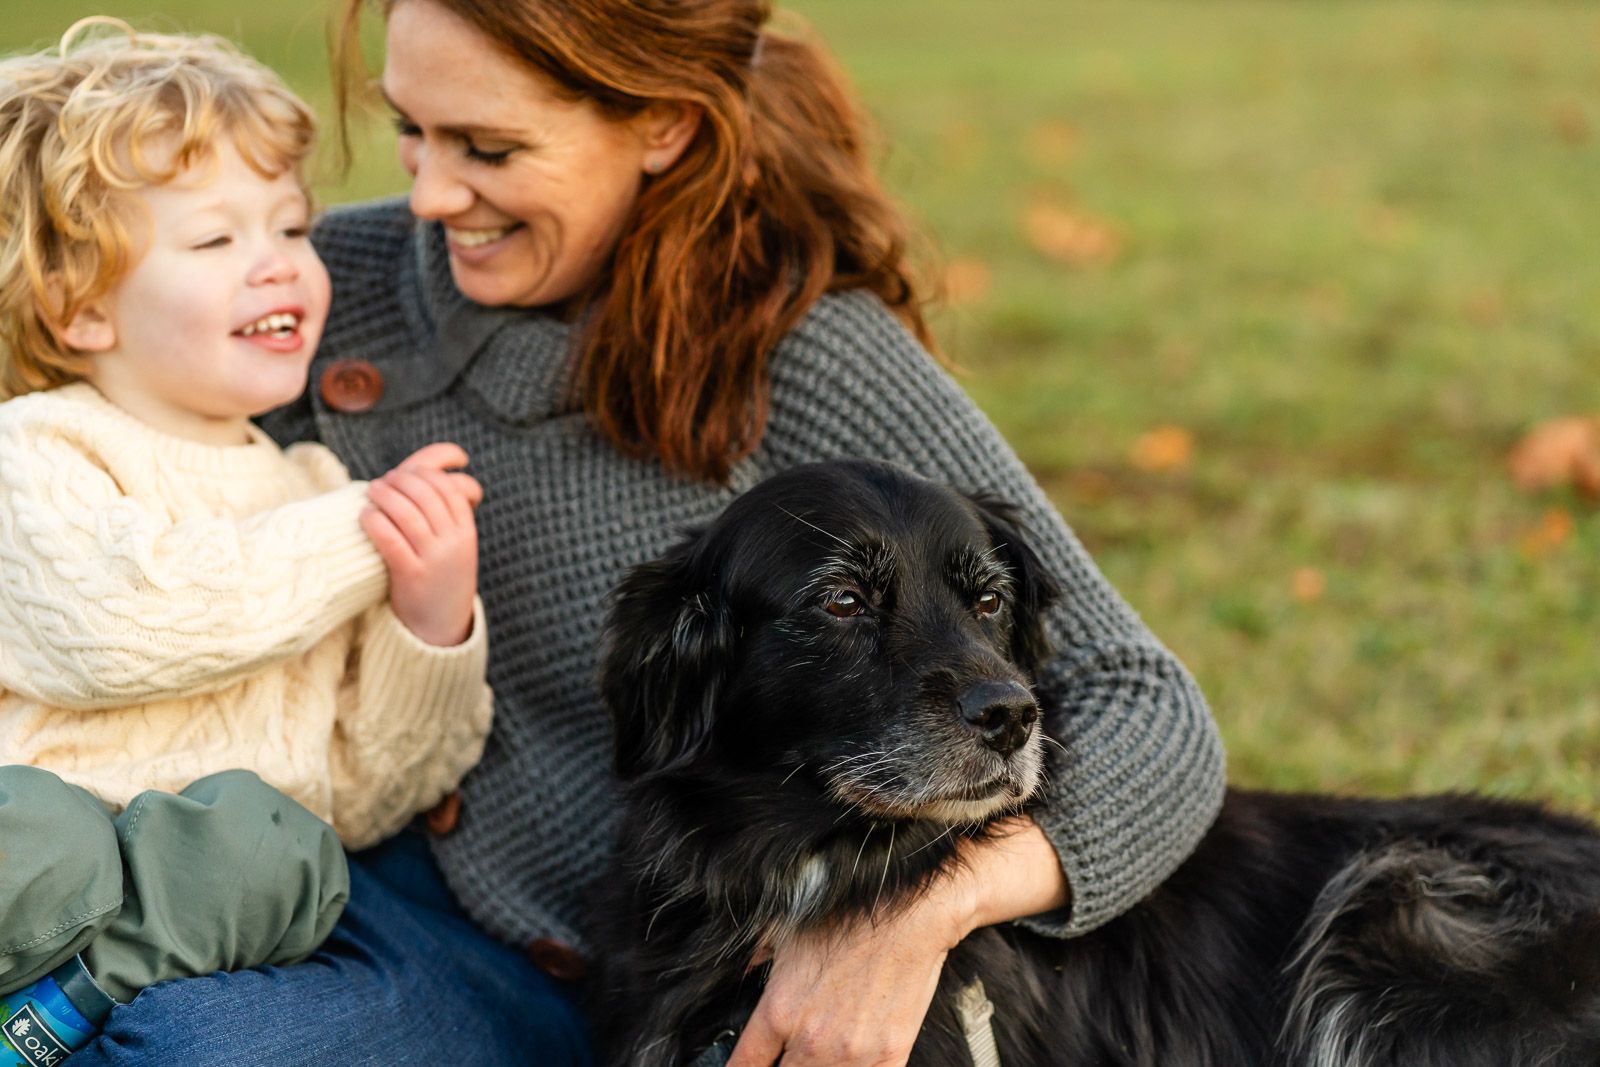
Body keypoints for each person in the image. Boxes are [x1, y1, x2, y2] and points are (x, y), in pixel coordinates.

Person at [66, 2, 1227, 1065]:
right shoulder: (317, 284)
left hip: (572, 969)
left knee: (194, 1049)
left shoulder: (805, 349)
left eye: (489, 149)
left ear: (662, 125)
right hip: (297, 863)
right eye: (412, 132)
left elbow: (1144, 704)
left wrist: (902, 925)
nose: (429, 196)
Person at [0, 20, 492, 1061]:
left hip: (175, 916)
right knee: (45, 832)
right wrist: (362, 534)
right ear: (80, 306)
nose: (278, 266)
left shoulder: (308, 488)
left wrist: (429, 624)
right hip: (28, 853)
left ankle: (57, 1014)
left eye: (293, 228)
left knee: (280, 845)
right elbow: (117, 627)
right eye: (217, 242)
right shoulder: (35, 447)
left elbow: (362, 789)